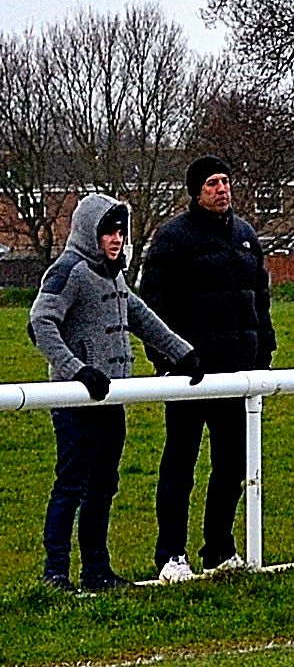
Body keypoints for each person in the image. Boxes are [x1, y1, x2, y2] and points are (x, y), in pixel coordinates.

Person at [28, 193, 200, 592]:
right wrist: (77, 371)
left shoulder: (115, 275)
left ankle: (95, 571)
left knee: (103, 486)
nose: (116, 238)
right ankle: (55, 574)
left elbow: (142, 317)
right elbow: (40, 322)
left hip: (111, 400)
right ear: (89, 233)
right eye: (108, 231)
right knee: (70, 486)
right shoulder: (68, 270)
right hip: (74, 403)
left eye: (119, 231)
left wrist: (183, 353)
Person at [141, 155, 276, 583]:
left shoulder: (245, 236)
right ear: (196, 192)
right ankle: (171, 555)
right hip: (189, 377)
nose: (222, 189)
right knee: (180, 465)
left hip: (236, 375)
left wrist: (263, 350)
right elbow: (152, 308)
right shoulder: (173, 239)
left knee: (232, 465)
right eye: (213, 183)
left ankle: (219, 549)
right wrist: (170, 361)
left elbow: (260, 298)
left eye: (226, 181)